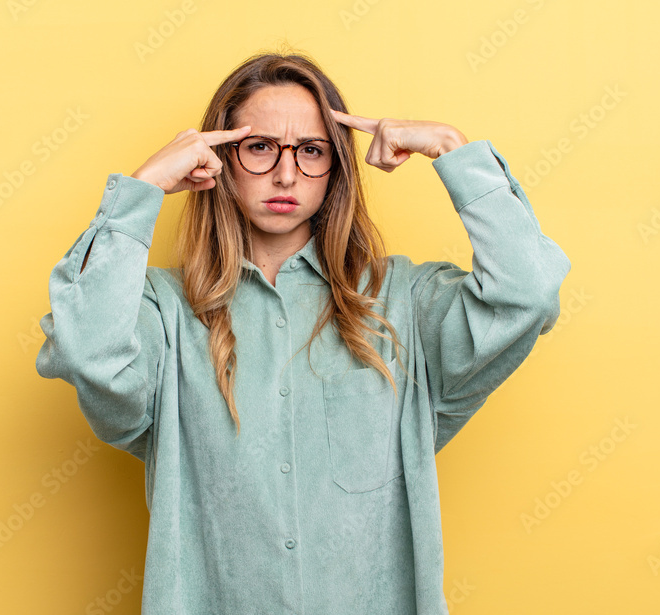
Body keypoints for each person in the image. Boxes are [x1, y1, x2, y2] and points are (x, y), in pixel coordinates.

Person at [35, 50, 571, 614]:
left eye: (311, 151)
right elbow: (86, 350)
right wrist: (139, 192)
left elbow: (526, 294)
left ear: (336, 168)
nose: (286, 173)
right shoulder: (161, 311)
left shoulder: (405, 303)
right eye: (260, 147)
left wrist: (455, 151)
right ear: (220, 158)